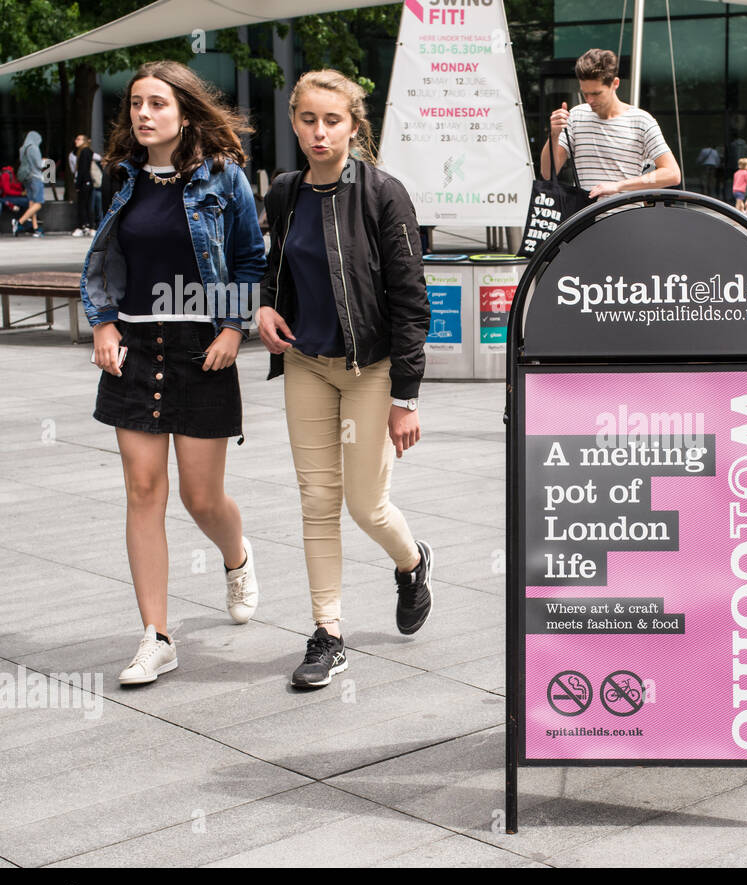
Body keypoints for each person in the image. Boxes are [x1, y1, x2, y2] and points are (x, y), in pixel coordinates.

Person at [81, 61, 266, 686]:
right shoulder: (124, 179)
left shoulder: (225, 178)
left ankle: (236, 558)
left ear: (184, 112)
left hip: (201, 345)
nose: (142, 113)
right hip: (134, 344)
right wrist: (103, 322)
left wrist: (234, 330)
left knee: (201, 496)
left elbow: (247, 258)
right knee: (142, 490)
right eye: (136, 103)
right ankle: (157, 636)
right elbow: (106, 258)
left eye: (157, 103)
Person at [256, 69, 434, 690]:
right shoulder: (285, 192)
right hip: (306, 364)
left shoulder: (385, 195)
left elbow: (412, 300)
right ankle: (327, 633)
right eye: (308, 119)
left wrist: (405, 397)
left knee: (365, 504)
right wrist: (265, 306)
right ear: (295, 122)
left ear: (354, 127)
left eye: (332, 120)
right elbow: (275, 268)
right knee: (317, 500)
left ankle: (412, 564)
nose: (319, 131)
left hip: (371, 370)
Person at [541, 48, 681, 197]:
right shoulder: (576, 116)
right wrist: (554, 135)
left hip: (625, 217)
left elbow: (672, 173)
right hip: (586, 217)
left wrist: (619, 186)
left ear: (615, 83)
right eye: (585, 93)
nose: (590, 100)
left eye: (596, 93)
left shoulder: (641, 121)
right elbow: (548, 173)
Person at [15, 131, 45, 237]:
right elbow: (38, 164)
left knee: (32, 203)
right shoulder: (34, 148)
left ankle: (35, 228)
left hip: (26, 178)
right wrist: (45, 161)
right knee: (39, 203)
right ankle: (20, 222)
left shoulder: (22, 149)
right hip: (35, 177)